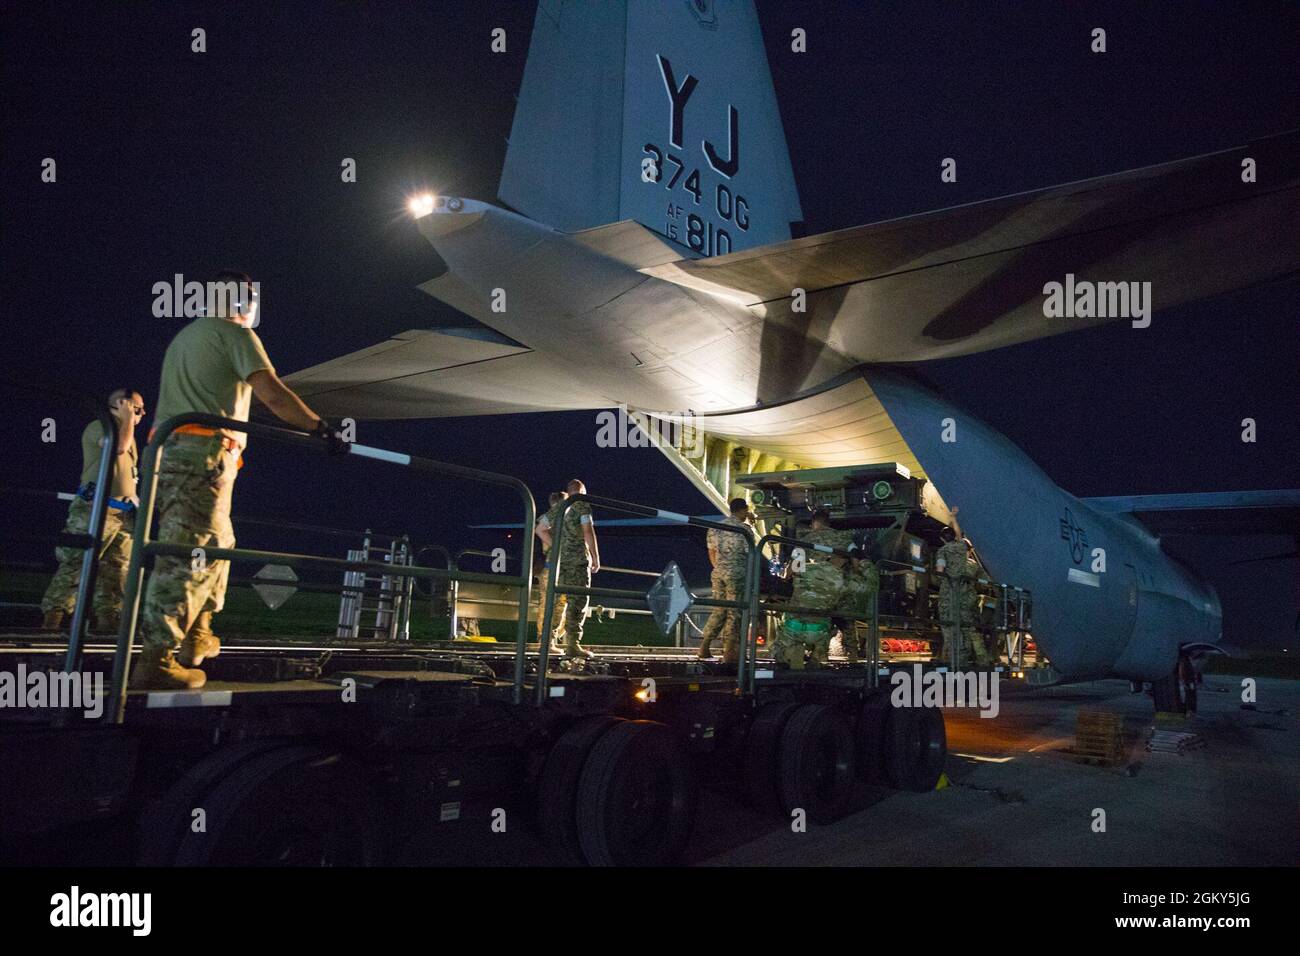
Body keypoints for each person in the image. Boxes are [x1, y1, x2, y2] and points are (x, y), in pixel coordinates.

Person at [132, 270, 336, 690]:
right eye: (248, 297)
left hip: (173, 455)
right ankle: (156, 659)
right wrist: (320, 429)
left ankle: (198, 636)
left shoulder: (186, 337)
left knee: (219, 545)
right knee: (187, 555)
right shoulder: (235, 335)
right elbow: (274, 394)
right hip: (202, 457)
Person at [41, 388, 145, 634]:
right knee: (76, 565)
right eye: (138, 408)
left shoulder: (128, 434)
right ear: (123, 405)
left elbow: (125, 471)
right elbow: (116, 448)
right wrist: (128, 419)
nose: (142, 414)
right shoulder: (102, 426)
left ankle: (108, 623)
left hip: (122, 514)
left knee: (116, 571)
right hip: (94, 509)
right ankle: (52, 622)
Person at [775, 509, 850, 669]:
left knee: (791, 621)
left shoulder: (806, 540)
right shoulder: (843, 539)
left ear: (813, 523)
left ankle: (791, 651)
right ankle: (823, 655)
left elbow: (793, 569)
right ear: (828, 523)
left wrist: (786, 576)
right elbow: (853, 562)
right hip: (829, 600)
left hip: (804, 600)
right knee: (836, 617)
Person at [697, 498, 757, 663]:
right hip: (737, 574)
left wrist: (722, 568)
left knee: (719, 610)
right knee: (735, 612)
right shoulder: (745, 530)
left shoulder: (715, 528)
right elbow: (750, 554)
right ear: (743, 510)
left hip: (718, 572)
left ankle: (704, 647)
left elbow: (712, 553)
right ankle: (729, 653)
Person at [550, 478, 599, 659]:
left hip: (560, 563)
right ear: (582, 492)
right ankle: (573, 645)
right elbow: (588, 531)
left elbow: (540, 528)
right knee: (577, 602)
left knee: (558, 602)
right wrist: (595, 557)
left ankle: (549, 641)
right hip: (577, 562)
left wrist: (558, 547)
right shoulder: (582, 506)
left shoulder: (559, 508)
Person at [934, 526, 988, 668]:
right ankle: (982, 660)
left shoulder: (943, 551)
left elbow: (940, 571)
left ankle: (952, 661)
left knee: (949, 627)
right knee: (969, 629)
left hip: (949, 596)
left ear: (942, 539)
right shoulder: (973, 564)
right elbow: (985, 582)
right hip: (968, 599)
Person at [532, 490, 568, 645]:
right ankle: (545, 639)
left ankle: (551, 636)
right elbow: (540, 531)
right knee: (549, 602)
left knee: (561, 602)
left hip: (560, 565)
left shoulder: (560, 519)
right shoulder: (551, 517)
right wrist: (558, 547)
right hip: (550, 566)